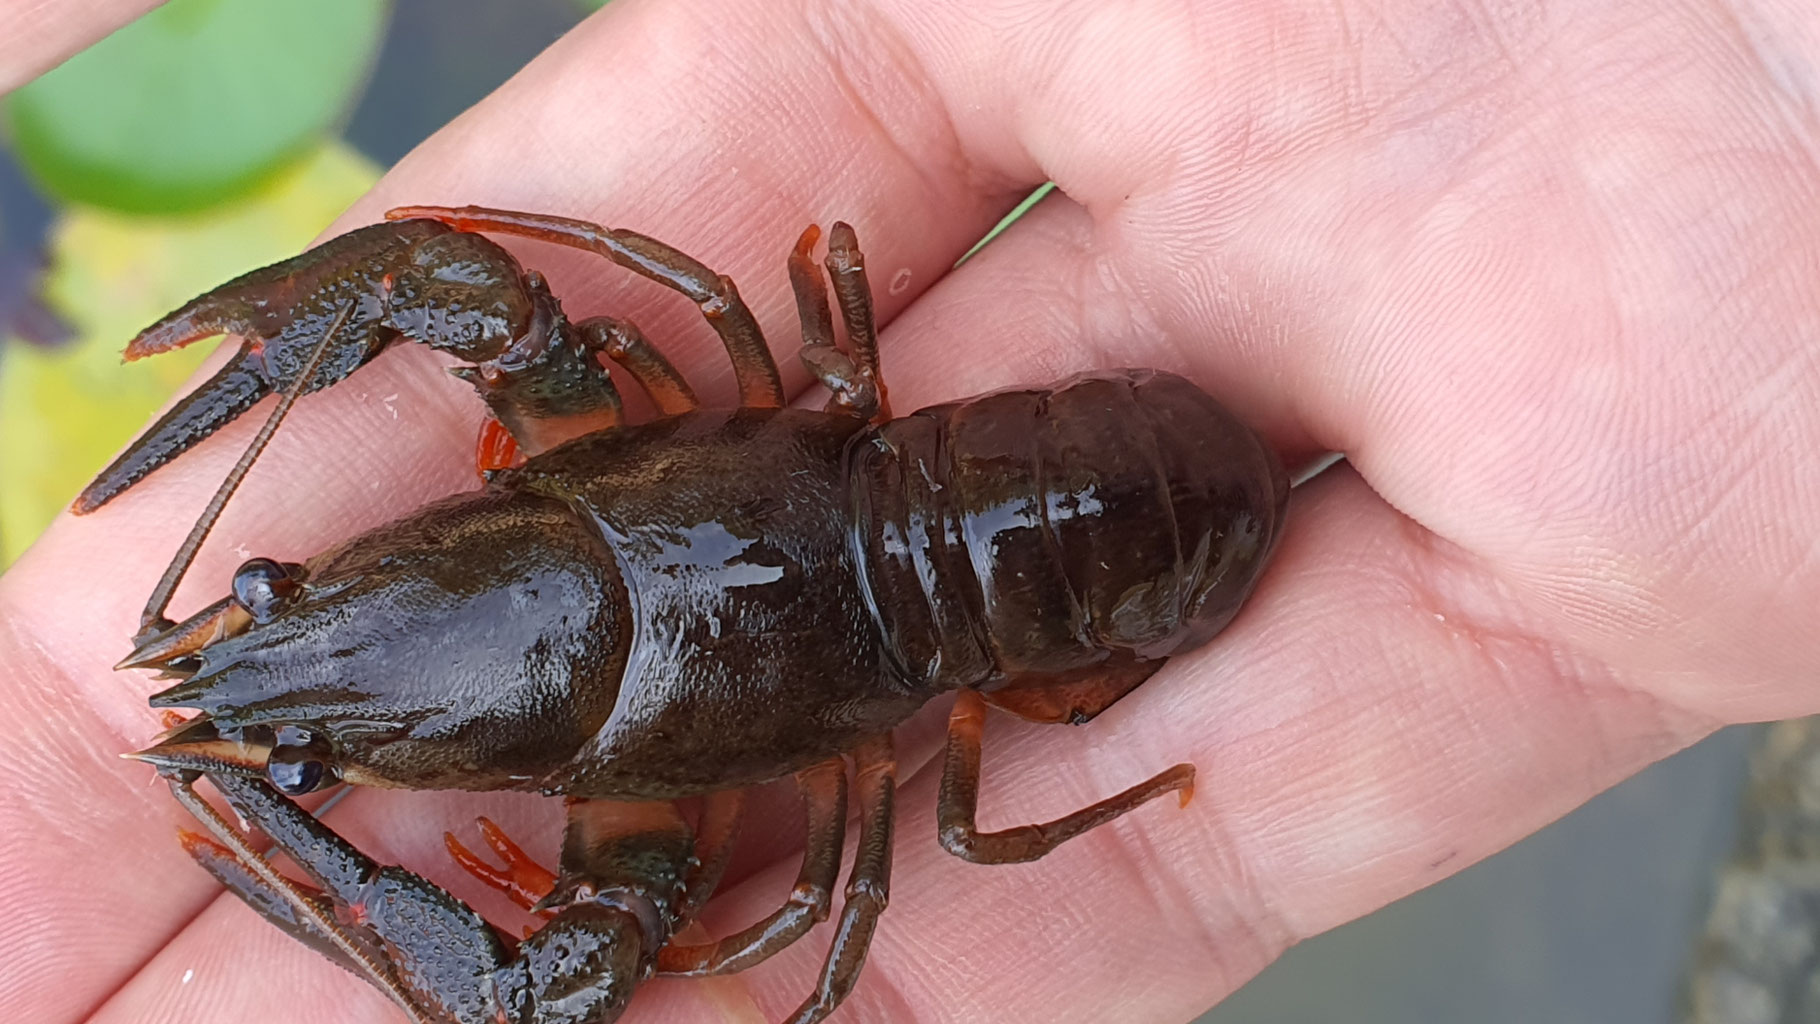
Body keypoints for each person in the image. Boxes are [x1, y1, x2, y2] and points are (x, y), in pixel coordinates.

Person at [2, 1, 1816, 1021]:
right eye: (310, 768)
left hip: (1108, 529)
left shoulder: (641, 834)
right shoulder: (582, 425)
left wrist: (319, 848)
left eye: (270, 587)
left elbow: (615, 964)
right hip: (981, 507)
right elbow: (517, 294)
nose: (268, 606)